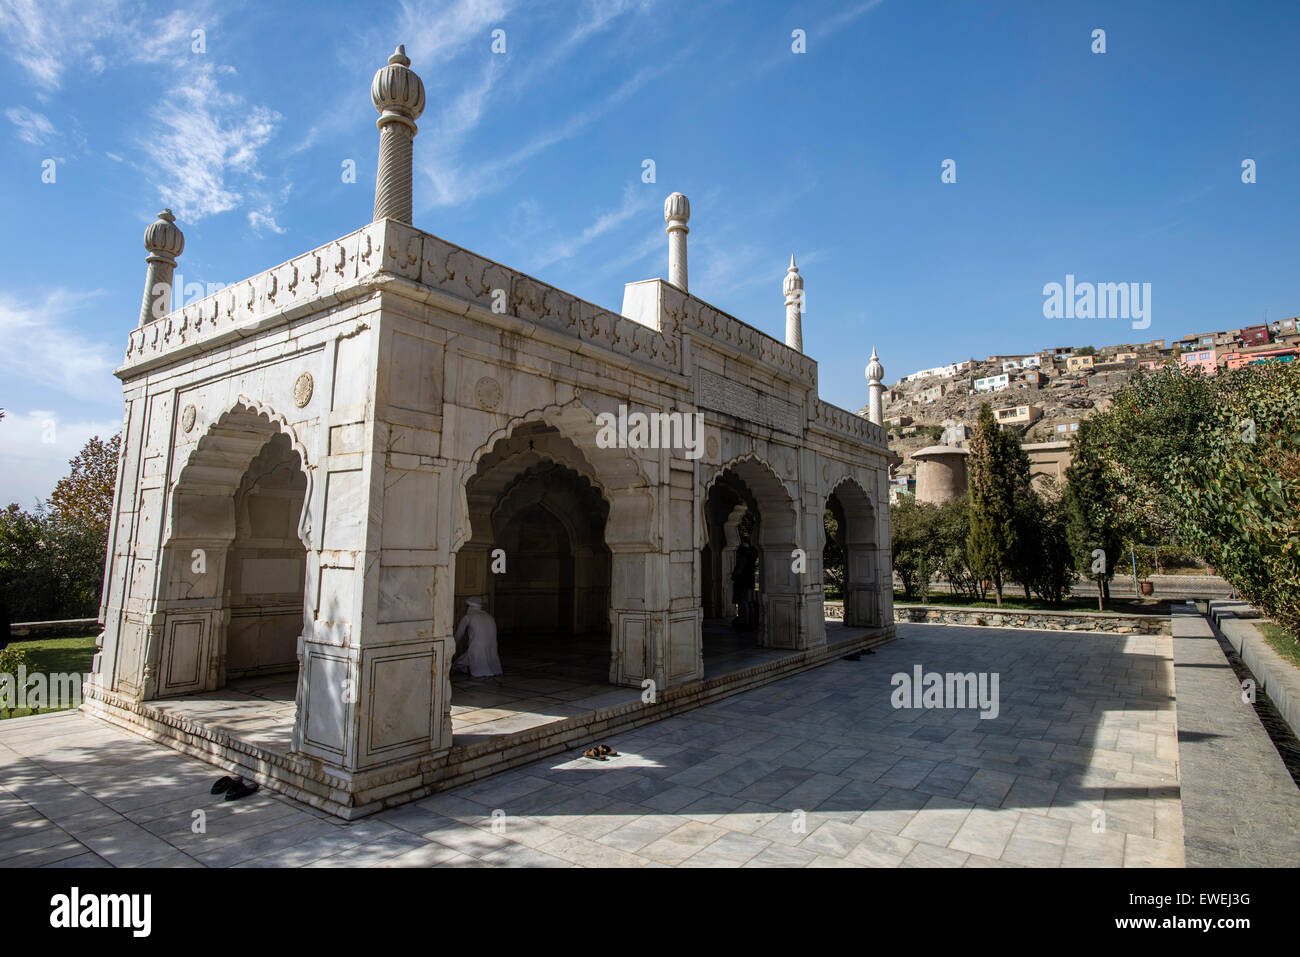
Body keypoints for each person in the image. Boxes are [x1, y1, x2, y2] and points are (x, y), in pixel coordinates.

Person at [453, 597, 503, 677]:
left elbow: (459, 634)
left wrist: (451, 647)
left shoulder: (468, 617)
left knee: (457, 665)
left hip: (477, 649)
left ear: (468, 607)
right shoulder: (489, 616)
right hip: (491, 650)